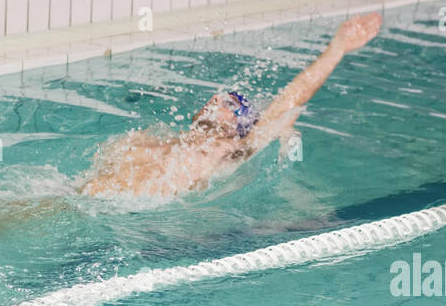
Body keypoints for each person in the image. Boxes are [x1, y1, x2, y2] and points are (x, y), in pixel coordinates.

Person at [78, 12, 383, 198]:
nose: (214, 99)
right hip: (78, 199)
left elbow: (290, 98)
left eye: (227, 102)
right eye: (215, 97)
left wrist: (338, 48)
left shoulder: (225, 155)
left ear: (239, 127)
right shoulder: (150, 139)